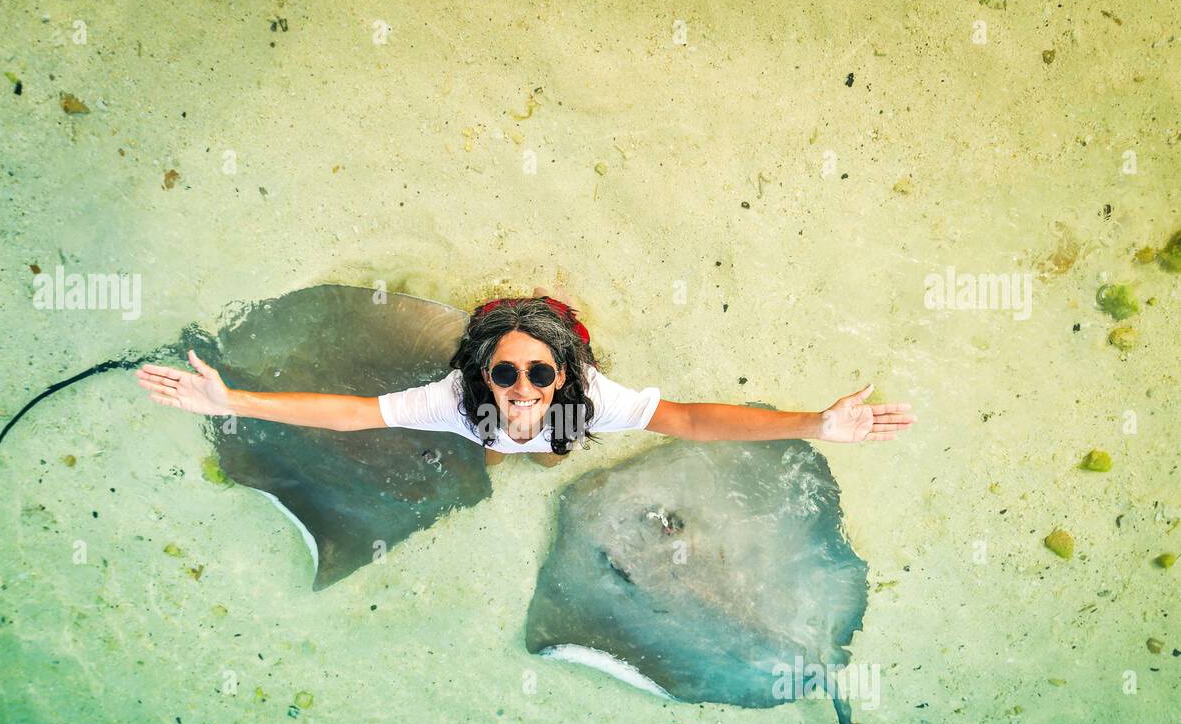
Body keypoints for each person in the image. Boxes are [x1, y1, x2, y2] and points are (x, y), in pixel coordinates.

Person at [135, 287, 915, 467]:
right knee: (501, 445)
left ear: (564, 373)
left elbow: (691, 420)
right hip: (475, 422)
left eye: (537, 372)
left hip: (566, 415)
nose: (520, 385)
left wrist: (816, 423)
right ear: (481, 371)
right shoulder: (454, 400)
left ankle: (548, 336)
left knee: (547, 453)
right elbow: (353, 414)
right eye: (504, 370)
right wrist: (231, 401)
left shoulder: (591, 401)